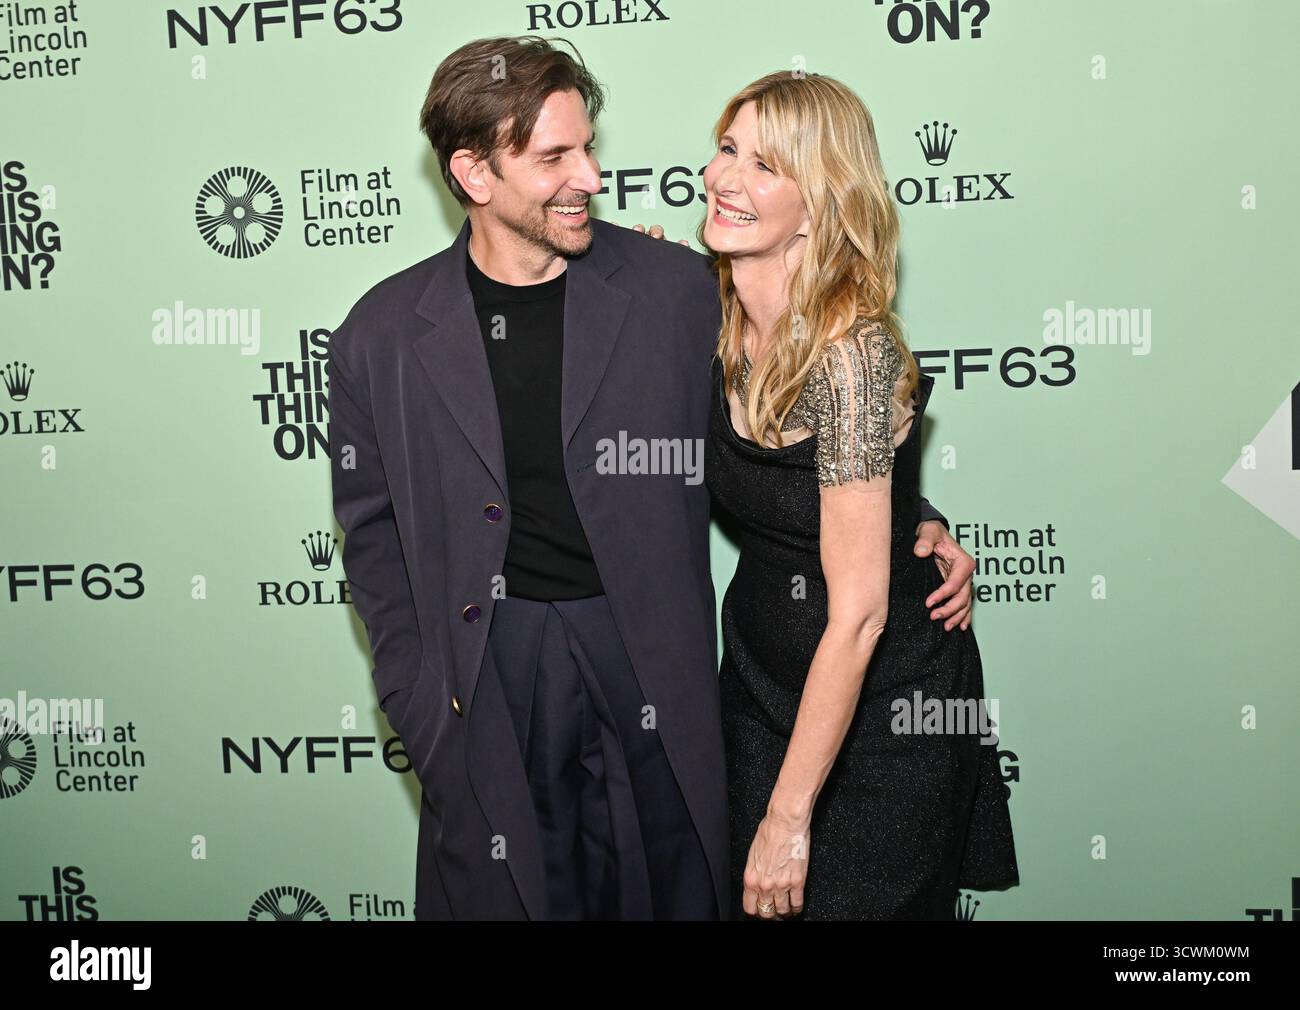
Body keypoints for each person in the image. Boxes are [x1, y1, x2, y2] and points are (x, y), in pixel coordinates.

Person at [328, 35, 977, 921]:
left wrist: (915, 517)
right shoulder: (383, 333)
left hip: (652, 664)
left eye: (587, 147)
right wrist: (415, 699)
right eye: (555, 157)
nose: (591, 176)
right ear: (476, 175)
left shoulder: (673, 288)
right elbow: (372, 543)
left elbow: (812, 431)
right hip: (495, 665)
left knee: (673, 891)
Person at [696, 72, 1020, 919]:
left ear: (820, 204)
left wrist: (788, 816)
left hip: (884, 711)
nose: (728, 177)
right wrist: (921, 513)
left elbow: (861, 616)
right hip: (764, 691)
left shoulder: (851, 360)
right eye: (728, 148)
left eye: (766, 166)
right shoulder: (705, 310)